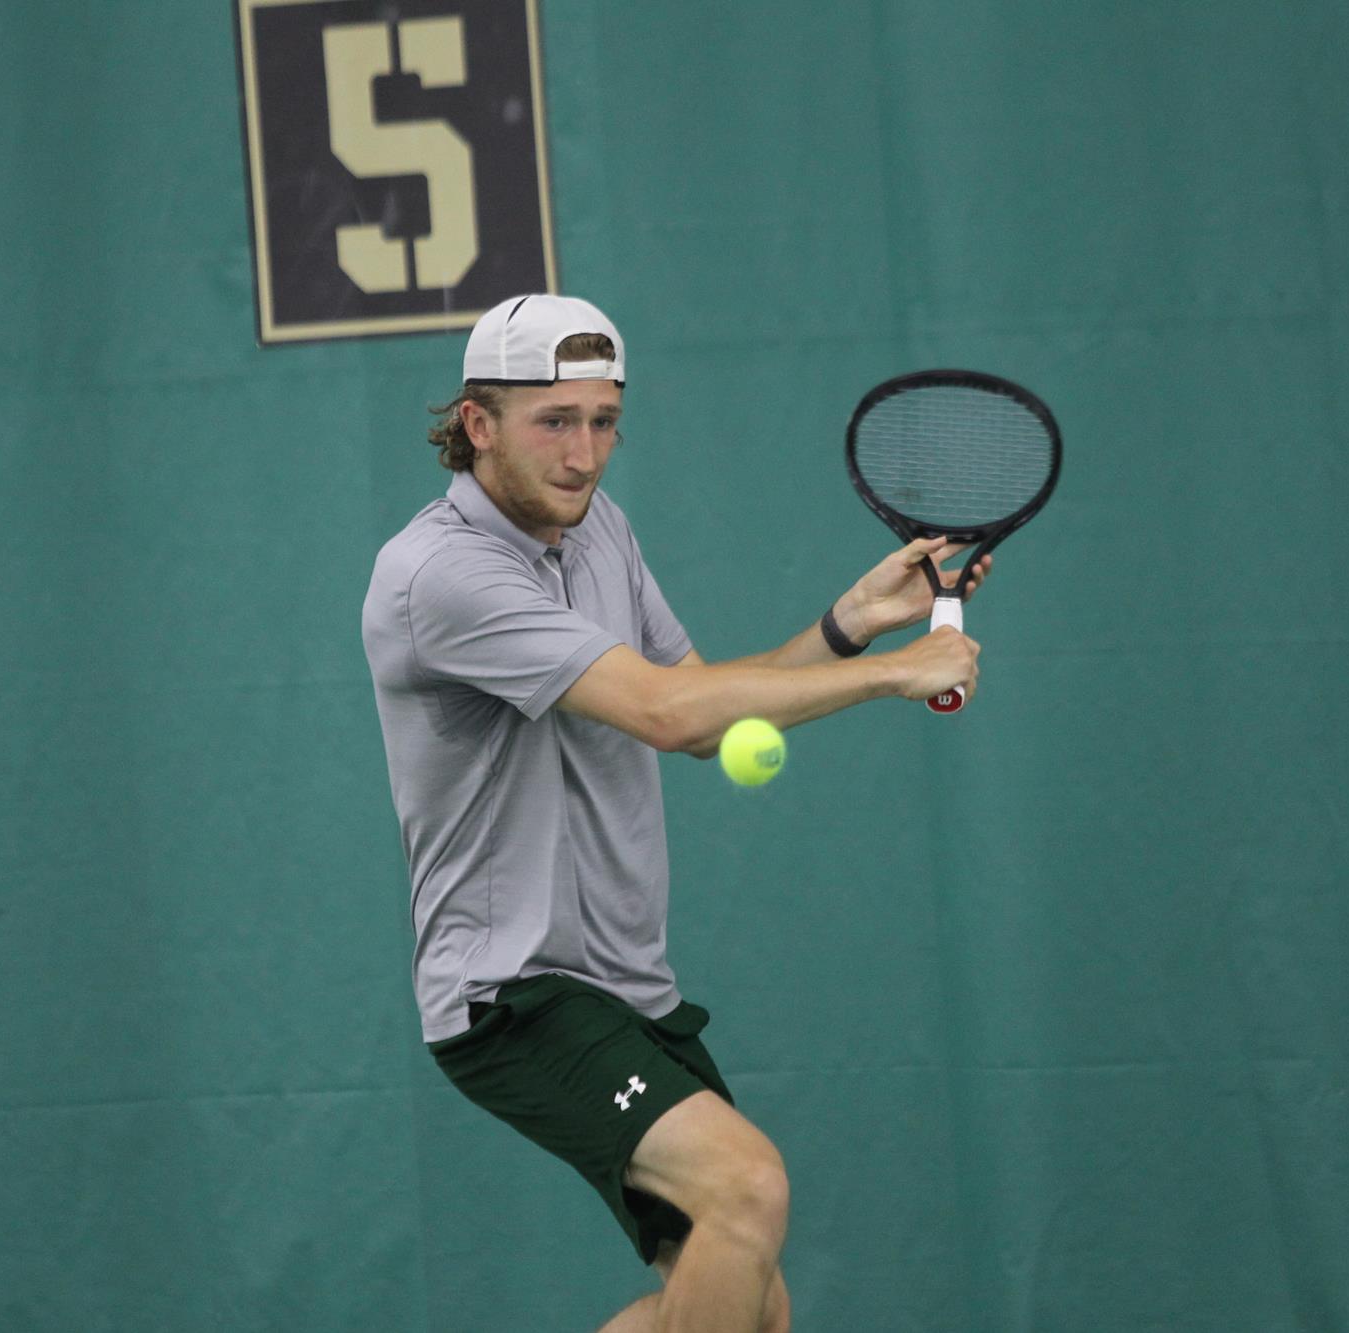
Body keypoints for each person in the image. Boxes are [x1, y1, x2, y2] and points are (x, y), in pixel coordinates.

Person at [361, 295, 988, 1332]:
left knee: (745, 1300)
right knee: (745, 1187)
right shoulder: (440, 573)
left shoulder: (599, 526)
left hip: (622, 983)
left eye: (603, 419)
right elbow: (660, 710)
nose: (583, 453)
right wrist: (891, 676)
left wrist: (851, 624)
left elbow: (701, 713)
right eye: (552, 420)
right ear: (478, 424)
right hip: (510, 989)